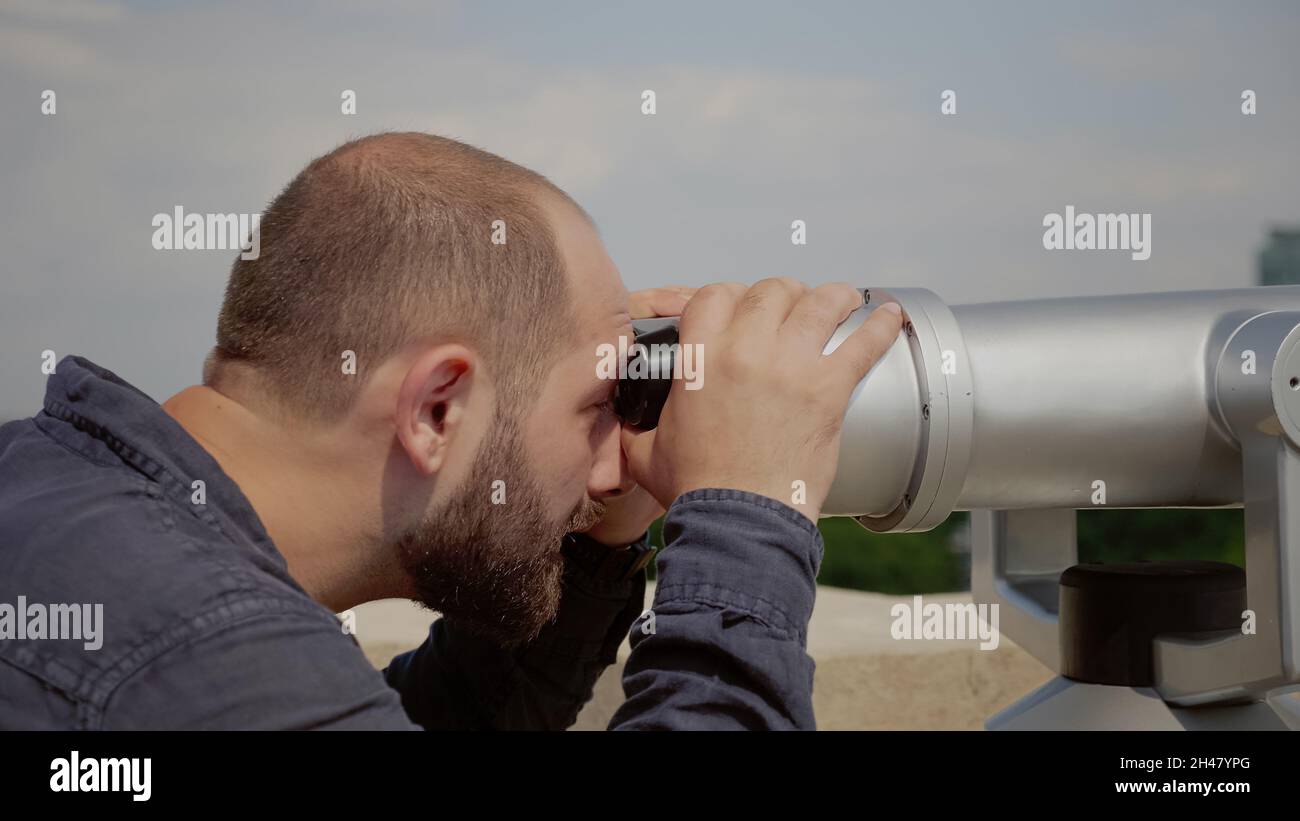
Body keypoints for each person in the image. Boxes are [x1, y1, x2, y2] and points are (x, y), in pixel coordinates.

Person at [0, 132, 902, 730]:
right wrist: (745, 515)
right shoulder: (205, 657)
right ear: (437, 408)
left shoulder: (67, 508)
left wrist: (604, 535)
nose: (605, 467)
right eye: (598, 407)